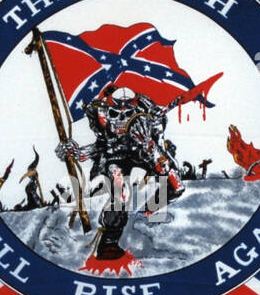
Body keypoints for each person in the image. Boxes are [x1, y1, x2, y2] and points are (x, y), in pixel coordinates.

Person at [57, 85, 185, 262]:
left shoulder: (149, 114)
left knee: (176, 184)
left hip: (143, 150)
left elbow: (159, 147)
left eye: (127, 114)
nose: (121, 120)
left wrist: (149, 144)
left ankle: (153, 207)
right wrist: (77, 153)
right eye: (116, 114)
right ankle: (109, 241)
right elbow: (102, 144)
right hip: (115, 156)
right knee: (120, 190)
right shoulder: (99, 113)